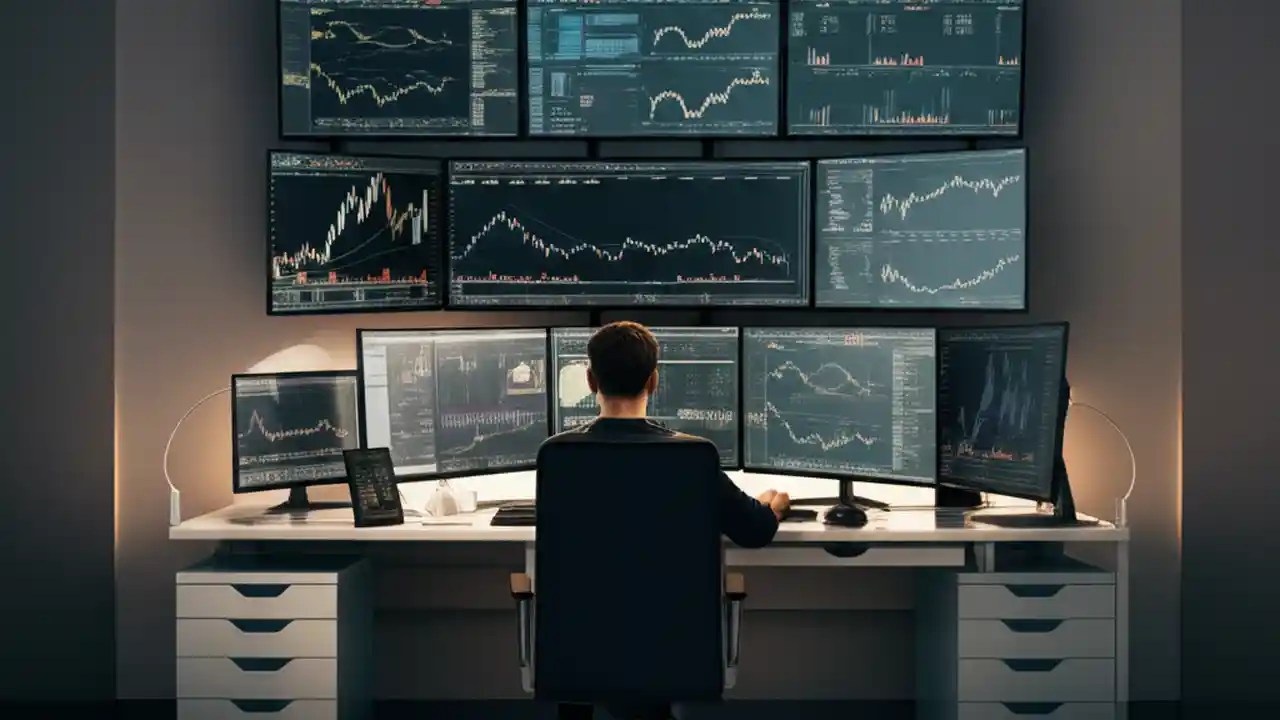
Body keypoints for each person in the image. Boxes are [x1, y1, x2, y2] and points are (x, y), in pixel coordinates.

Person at [547, 321, 790, 547]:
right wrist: (772, 508)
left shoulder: (558, 455)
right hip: (676, 594)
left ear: (590, 381)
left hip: (587, 594)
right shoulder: (693, 457)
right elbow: (755, 531)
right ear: (653, 382)